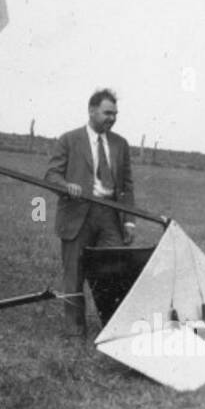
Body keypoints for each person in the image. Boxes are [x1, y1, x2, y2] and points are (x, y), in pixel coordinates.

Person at [45, 88, 135, 338]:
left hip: (110, 216)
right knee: (74, 274)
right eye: (107, 113)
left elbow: (127, 186)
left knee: (116, 270)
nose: (112, 118)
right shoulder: (68, 140)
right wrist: (66, 186)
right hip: (77, 215)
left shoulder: (121, 144)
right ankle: (75, 333)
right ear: (91, 111)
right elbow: (51, 175)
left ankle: (115, 331)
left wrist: (129, 223)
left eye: (115, 114)